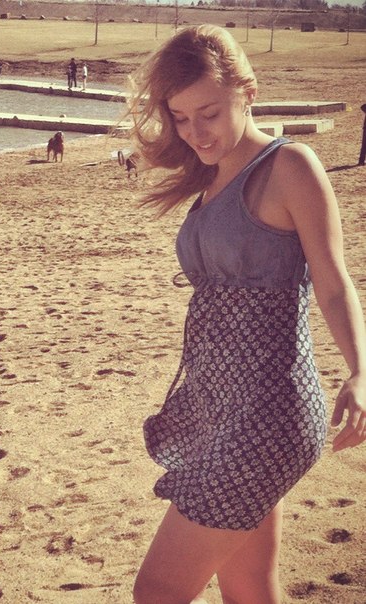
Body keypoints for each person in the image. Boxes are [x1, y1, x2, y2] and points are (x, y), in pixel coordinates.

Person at [126, 24, 366, 604]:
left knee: (156, 592)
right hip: (221, 408)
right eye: (181, 118)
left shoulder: (290, 167)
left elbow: (333, 281)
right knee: (250, 588)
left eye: (208, 113)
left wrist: (361, 370)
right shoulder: (211, 176)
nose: (195, 132)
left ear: (248, 92)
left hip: (267, 416)